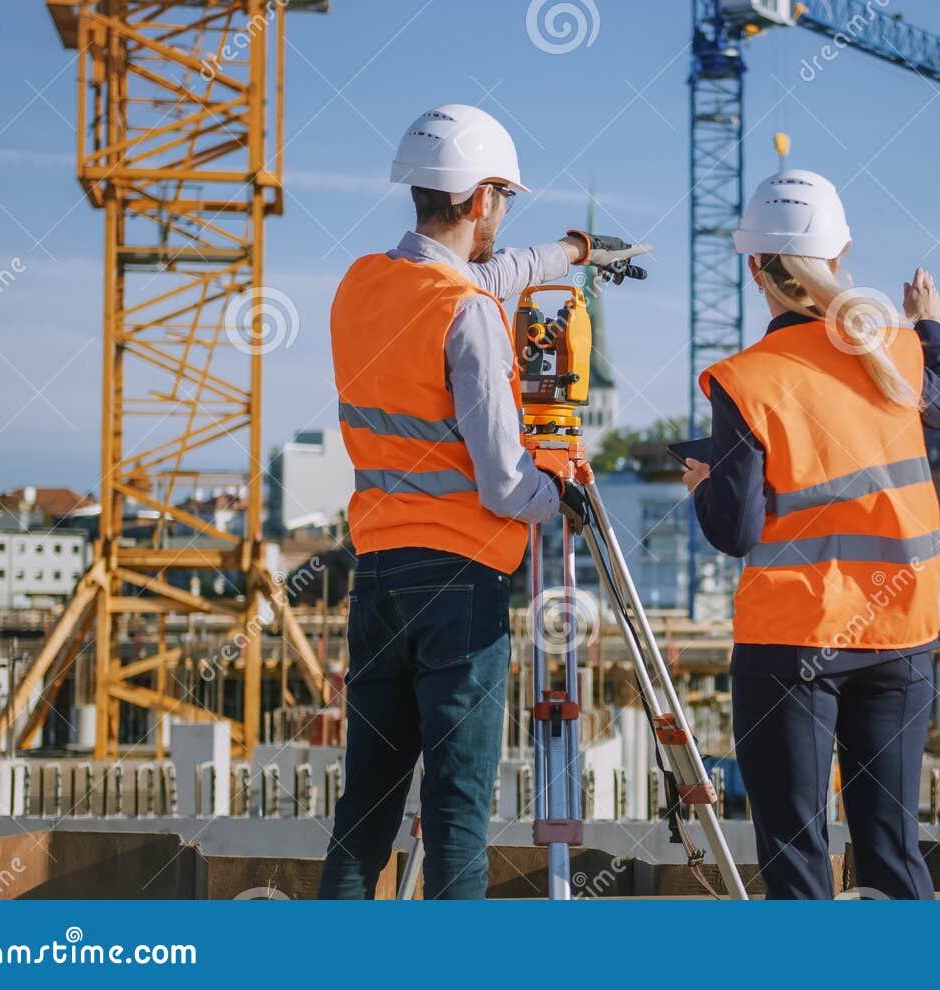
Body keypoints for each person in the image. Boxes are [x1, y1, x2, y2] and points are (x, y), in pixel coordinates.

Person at [318, 104, 648, 900]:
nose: (502, 212)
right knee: (457, 808)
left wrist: (572, 253)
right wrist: (557, 494)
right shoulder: (467, 314)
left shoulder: (362, 285)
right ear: (481, 198)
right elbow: (504, 484)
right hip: (458, 588)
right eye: (501, 197)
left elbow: (474, 280)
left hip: (378, 576)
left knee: (365, 807)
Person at [681, 169, 940, 899]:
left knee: (797, 856)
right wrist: (929, 324)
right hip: (901, 631)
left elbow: (736, 531)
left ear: (755, 267)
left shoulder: (747, 378)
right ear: (839, 254)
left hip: (793, 639)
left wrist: (704, 485)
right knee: (892, 849)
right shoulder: (898, 348)